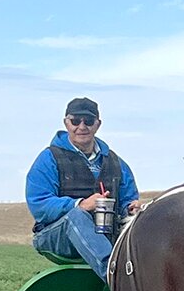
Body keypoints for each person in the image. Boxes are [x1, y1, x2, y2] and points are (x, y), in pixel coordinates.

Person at [25, 97, 143, 279]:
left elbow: (128, 199)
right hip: (56, 235)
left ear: (98, 124)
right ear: (66, 123)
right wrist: (80, 205)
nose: (82, 127)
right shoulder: (48, 159)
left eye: (88, 121)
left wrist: (131, 208)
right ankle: (115, 278)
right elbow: (39, 205)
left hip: (107, 232)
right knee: (76, 216)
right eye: (75, 121)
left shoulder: (116, 162)